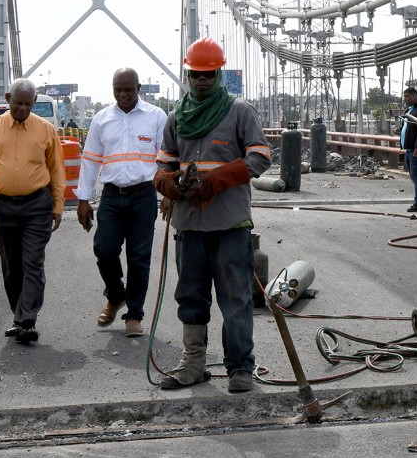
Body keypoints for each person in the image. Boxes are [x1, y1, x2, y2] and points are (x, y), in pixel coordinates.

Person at [152, 38, 271, 393]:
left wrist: (218, 180)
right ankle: (193, 365)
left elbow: (260, 157)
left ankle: (240, 366)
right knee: (191, 296)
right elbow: (164, 165)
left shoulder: (239, 111)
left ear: (219, 75)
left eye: (208, 75)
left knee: (235, 298)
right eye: (196, 75)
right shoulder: (176, 117)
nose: (202, 81)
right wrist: (168, 184)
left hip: (230, 223)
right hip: (189, 224)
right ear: (187, 75)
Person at [0, 80, 66, 345]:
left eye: (28, 104)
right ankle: (19, 317)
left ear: (34, 102)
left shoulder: (45, 130)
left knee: (33, 262)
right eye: (17, 103)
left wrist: (57, 206)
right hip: (4, 207)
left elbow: (56, 169)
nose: (22, 109)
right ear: (8, 98)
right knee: (11, 267)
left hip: (37, 206)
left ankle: (27, 320)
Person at [76, 68, 168, 338]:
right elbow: (91, 160)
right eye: (118, 89)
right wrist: (83, 199)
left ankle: (134, 315)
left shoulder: (156, 117)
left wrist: (168, 194)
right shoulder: (102, 119)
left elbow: (167, 159)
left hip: (143, 196)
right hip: (112, 196)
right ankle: (116, 296)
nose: (123, 95)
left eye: (128, 89)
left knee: (139, 258)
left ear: (138, 88)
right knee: (104, 249)